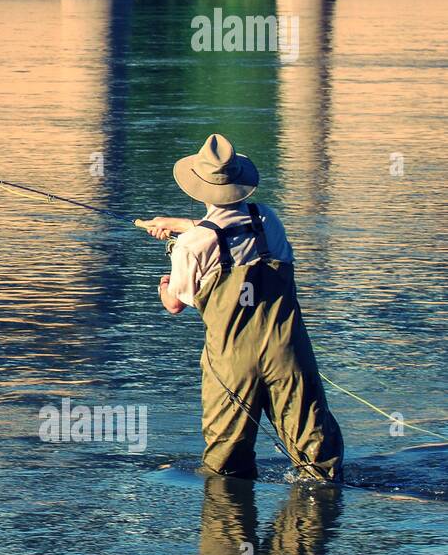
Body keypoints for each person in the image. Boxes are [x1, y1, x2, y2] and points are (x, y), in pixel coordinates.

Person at [138, 133, 344, 482]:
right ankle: (314, 526)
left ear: (199, 187)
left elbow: (175, 304)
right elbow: (233, 234)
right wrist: (180, 227)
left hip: (232, 363)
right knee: (318, 463)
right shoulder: (267, 219)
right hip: (287, 353)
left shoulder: (191, 245)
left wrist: (169, 267)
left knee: (226, 465)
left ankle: (232, 529)